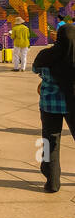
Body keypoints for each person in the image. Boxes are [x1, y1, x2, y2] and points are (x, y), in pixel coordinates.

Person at [32, 23, 75, 193]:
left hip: (49, 105)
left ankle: (52, 182)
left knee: (50, 142)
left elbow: (35, 69)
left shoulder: (46, 54)